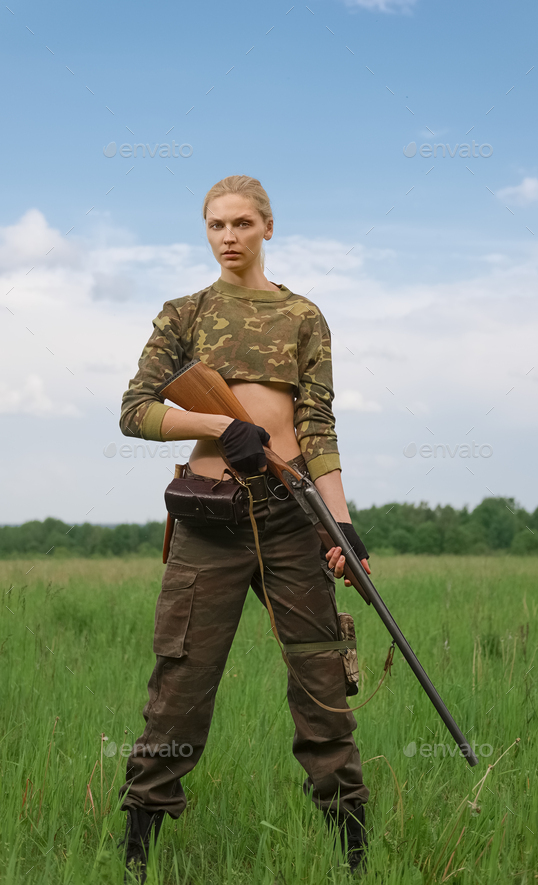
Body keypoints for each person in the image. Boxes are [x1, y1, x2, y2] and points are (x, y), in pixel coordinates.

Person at [117, 175, 372, 881]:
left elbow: (317, 426)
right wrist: (218, 424)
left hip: (293, 516)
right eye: (215, 225)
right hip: (210, 515)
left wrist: (342, 522)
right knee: (181, 684)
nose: (228, 236)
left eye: (240, 224)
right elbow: (135, 409)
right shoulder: (184, 313)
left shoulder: (304, 316)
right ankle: (137, 848)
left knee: (322, 681)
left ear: (266, 227)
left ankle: (352, 848)